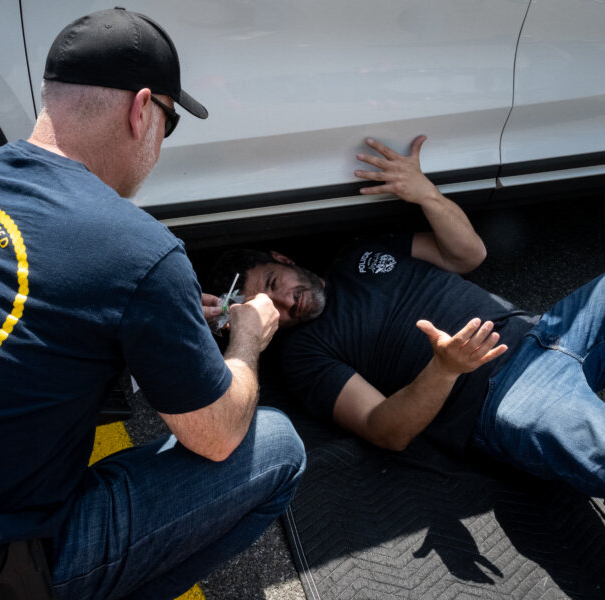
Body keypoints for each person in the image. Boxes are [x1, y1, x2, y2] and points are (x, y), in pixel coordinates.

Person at [0, 8, 306, 600]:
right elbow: (218, 436)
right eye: (168, 125)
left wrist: (160, 315)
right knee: (277, 446)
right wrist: (247, 338)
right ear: (140, 109)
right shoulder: (140, 247)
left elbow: (34, 307)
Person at [209, 135, 605, 498]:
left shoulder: (357, 253)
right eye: (267, 307)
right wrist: (445, 369)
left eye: (274, 283)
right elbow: (385, 430)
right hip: (506, 393)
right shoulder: (304, 355)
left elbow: (468, 255)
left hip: (546, 331)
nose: (285, 301)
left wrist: (426, 194)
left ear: (283, 260)